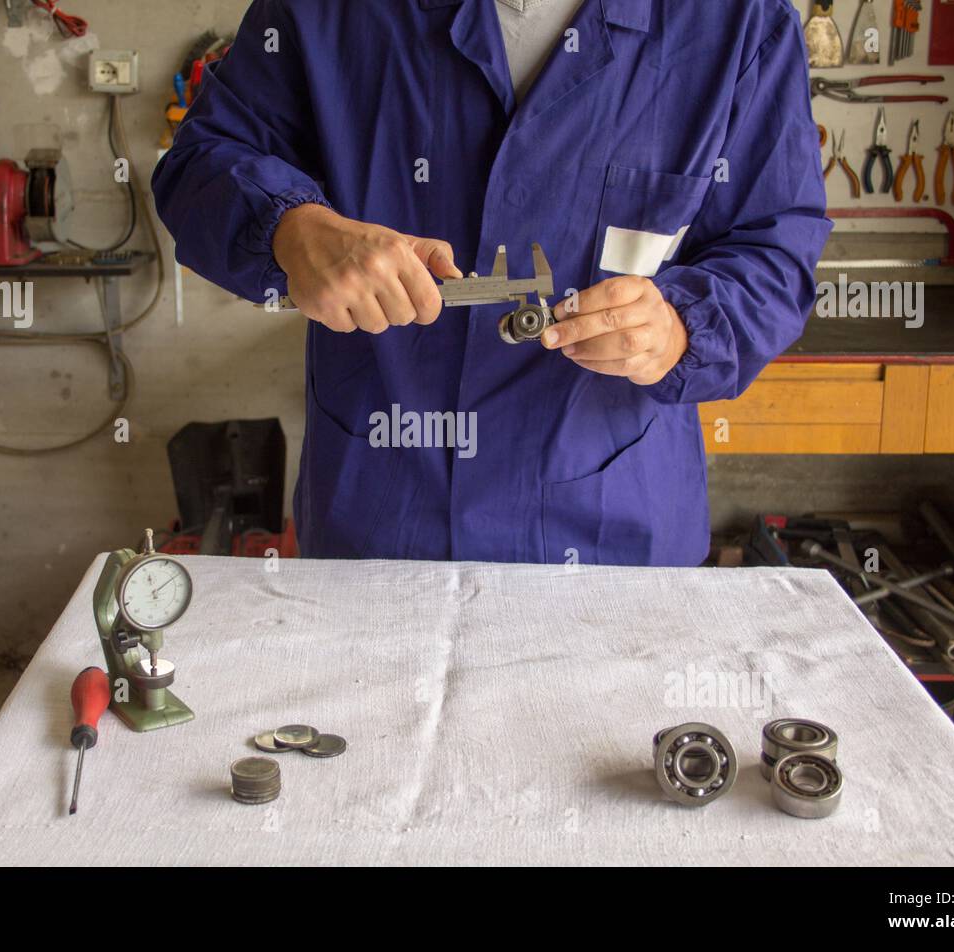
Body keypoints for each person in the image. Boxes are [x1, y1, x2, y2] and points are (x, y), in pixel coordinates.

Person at [152, 0, 830, 566]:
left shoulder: (735, 22)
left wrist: (685, 326)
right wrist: (293, 231)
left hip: (610, 540)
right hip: (381, 527)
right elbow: (198, 168)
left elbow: (775, 243)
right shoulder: (326, 11)